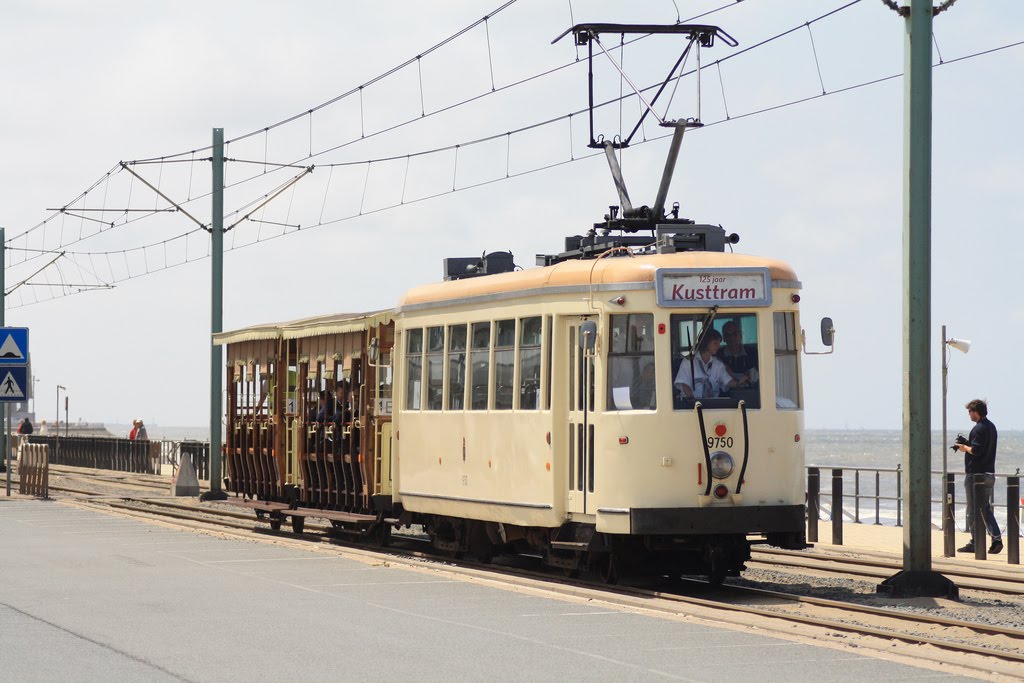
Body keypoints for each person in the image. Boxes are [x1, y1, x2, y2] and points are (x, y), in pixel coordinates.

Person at [955, 399, 1002, 554]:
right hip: (989, 473)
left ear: (976, 412)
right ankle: (995, 539)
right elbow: (981, 447)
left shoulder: (978, 428)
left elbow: (976, 451)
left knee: (972, 510)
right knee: (985, 508)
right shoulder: (991, 427)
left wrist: (963, 448)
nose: (969, 414)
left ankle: (976, 542)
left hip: (976, 475)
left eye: (970, 411)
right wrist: (968, 443)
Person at [674, 328, 746, 399]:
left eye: (719, 344)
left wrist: (739, 383)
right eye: (715, 343)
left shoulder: (718, 364)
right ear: (706, 342)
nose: (718, 346)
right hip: (691, 405)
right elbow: (684, 384)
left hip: (713, 406)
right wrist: (693, 400)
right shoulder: (688, 362)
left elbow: (727, 381)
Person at [718, 320, 758, 385]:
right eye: (728, 335)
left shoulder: (754, 353)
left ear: (741, 335)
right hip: (725, 393)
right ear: (724, 338)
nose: (732, 337)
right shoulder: (718, 355)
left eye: (735, 334)